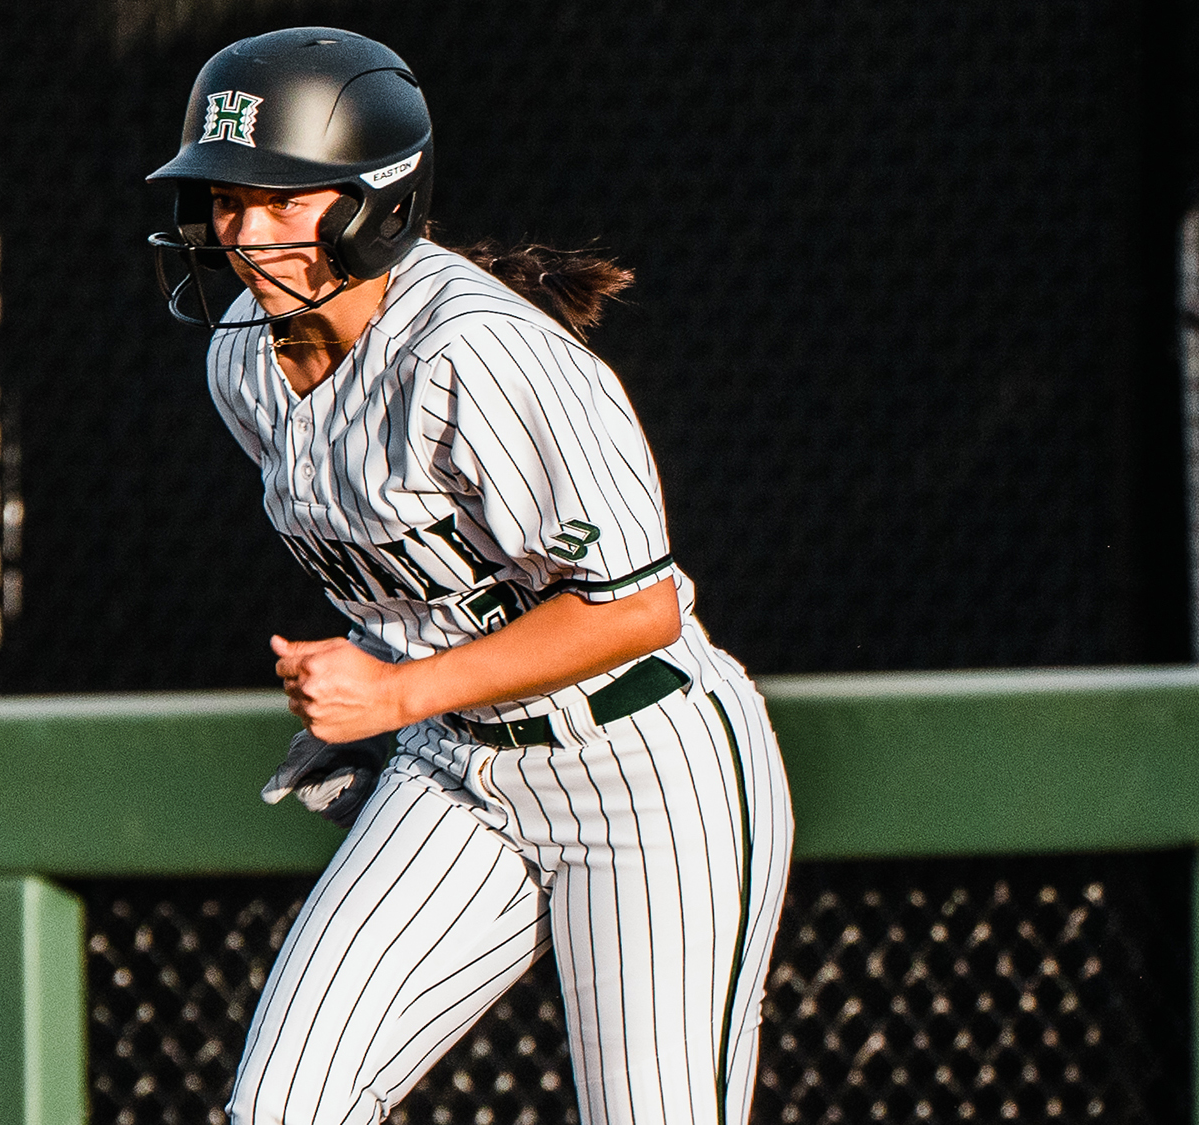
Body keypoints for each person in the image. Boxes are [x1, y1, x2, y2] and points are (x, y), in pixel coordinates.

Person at [146, 27, 794, 1125]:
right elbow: (407, 573)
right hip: (457, 767)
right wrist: (396, 696)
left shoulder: (478, 351)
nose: (246, 232)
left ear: (377, 199)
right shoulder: (240, 359)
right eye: (225, 199)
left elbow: (632, 608)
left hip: (640, 766)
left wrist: (395, 692)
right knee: (282, 1108)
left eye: (283, 199)